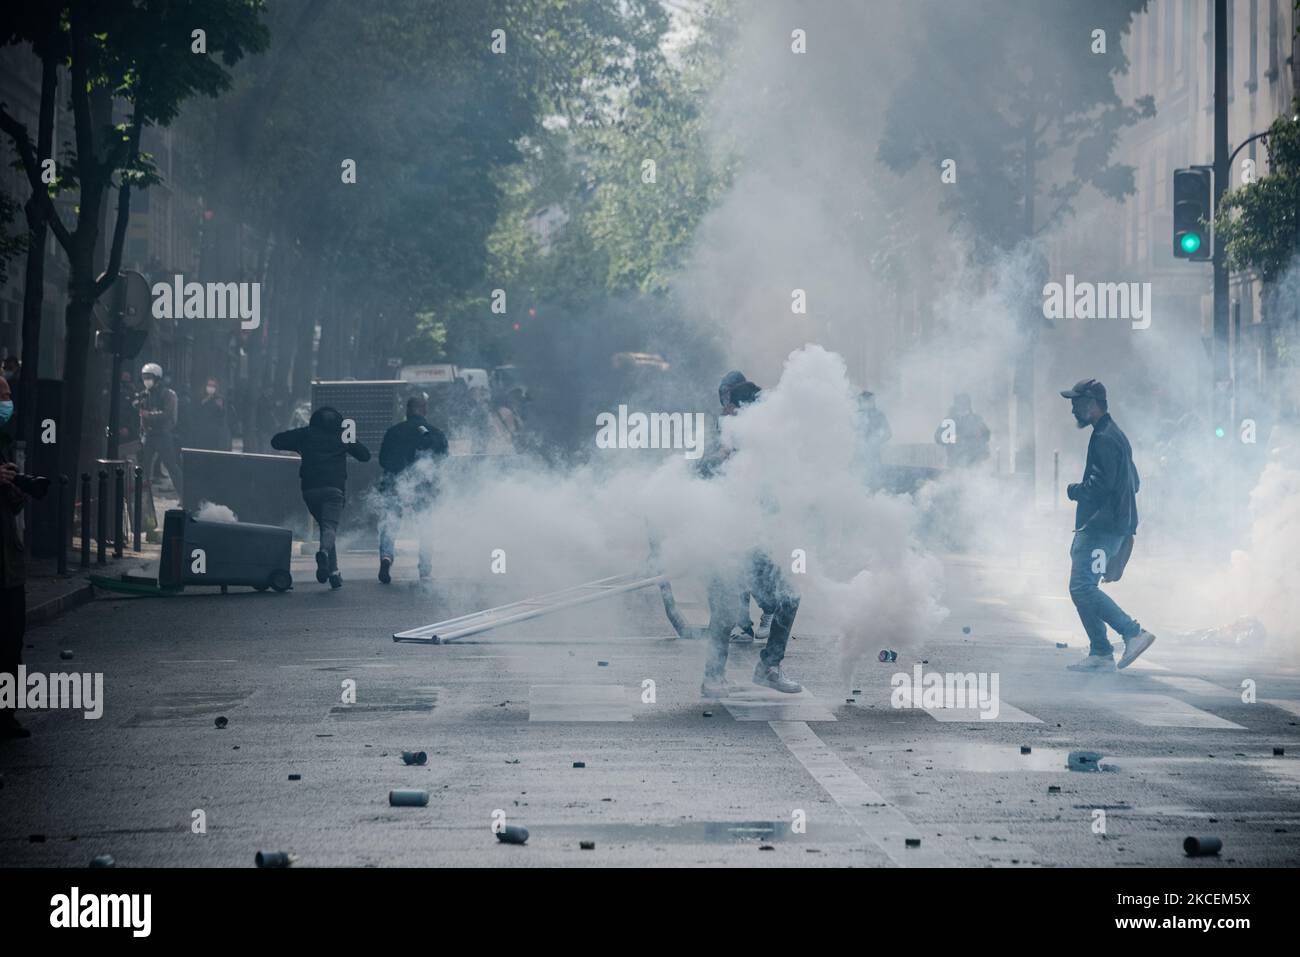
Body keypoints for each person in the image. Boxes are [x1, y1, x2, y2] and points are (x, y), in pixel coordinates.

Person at [698, 380, 803, 697]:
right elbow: (694, 479)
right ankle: (713, 678)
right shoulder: (723, 440)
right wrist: (719, 459)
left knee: (788, 598)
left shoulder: (760, 443)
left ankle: (769, 667)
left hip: (754, 542)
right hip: (723, 542)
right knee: (725, 612)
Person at [1060, 378, 1156, 672]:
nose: (1073, 409)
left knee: (1083, 588)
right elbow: (1134, 482)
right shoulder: (1114, 434)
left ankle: (1132, 633)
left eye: (1077, 403)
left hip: (1101, 526)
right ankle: (1101, 651)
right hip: (1112, 526)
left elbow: (1098, 488)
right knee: (1083, 587)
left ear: (1091, 404)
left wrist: (1074, 490)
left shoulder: (1103, 438)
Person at [272, 407, 371, 589]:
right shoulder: (342, 436)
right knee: (329, 528)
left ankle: (333, 573)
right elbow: (365, 456)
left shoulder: (306, 434)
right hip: (334, 488)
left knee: (325, 528)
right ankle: (323, 553)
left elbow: (276, 441)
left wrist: (301, 437)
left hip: (310, 489)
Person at [377, 394, 448, 584]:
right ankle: (425, 570)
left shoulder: (393, 432)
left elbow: (383, 459)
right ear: (424, 410)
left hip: (394, 483)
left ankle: (386, 557)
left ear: (407, 411)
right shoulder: (435, 433)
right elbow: (442, 460)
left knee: (390, 523)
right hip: (423, 487)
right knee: (425, 527)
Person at [0, 374, 30, 738]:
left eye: (8, 396)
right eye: (2, 396)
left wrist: (17, 487)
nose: (7, 403)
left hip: (9, 564)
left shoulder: (4, 444)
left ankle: (5, 715)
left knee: (11, 643)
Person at [135, 362, 183, 497]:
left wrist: (149, 415)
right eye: (144, 377)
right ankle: (142, 498)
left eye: (149, 377)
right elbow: (139, 412)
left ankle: (184, 496)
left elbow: (167, 414)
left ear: (157, 378)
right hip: (148, 435)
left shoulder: (167, 394)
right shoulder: (144, 394)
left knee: (172, 467)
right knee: (143, 469)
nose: (146, 380)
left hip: (163, 435)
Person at [934, 393, 991, 468]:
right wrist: (954, 438)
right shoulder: (949, 420)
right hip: (955, 461)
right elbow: (938, 437)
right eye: (960, 403)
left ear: (969, 405)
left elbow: (986, 435)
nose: (963, 406)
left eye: (965, 403)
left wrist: (980, 435)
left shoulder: (976, 419)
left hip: (974, 461)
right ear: (956, 405)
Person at [190, 377, 232, 452]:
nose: (210, 387)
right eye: (209, 385)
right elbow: (195, 412)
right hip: (201, 432)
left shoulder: (219, 398)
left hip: (214, 433)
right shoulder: (200, 397)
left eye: (213, 386)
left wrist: (221, 407)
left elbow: (222, 416)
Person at [857, 389, 892, 474]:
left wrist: (877, 441)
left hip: (874, 453)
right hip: (857, 453)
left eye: (870, 400)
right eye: (864, 401)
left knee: (874, 474)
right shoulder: (855, 416)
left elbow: (889, 433)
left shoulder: (879, 415)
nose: (867, 403)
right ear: (860, 402)